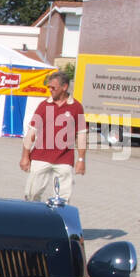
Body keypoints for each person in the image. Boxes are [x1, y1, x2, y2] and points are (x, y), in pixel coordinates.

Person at [21, 70, 87, 202]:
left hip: (64, 160)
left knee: (63, 199)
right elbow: (31, 133)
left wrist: (81, 160)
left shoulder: (76, 107)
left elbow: (81, 135)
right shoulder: (44, 105)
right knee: (31, 194)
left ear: (64, 87)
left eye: (53, 87)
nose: (50, 90)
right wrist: (25, 156)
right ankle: (32, 219)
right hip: (41, 156)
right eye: (49, 87)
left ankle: (58, 221)